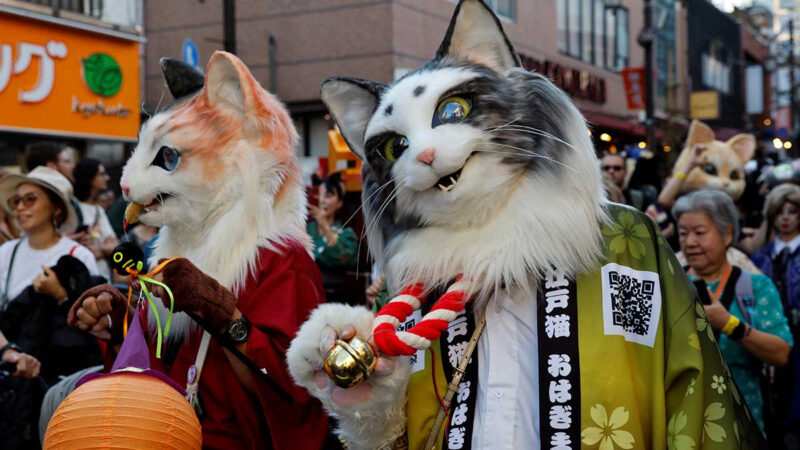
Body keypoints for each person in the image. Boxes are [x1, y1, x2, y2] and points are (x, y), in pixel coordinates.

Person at [675, 189, 793, 432]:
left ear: (727, 234)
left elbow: (781, 353)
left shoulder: (755, 286)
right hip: (682, 423)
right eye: (683, 233)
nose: (689, 242)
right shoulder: (671, 285)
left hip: (742, 422)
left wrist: (730, 324)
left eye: (699, 233)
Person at [0, 167, 101, 449]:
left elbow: (92, 325)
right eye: (15, 202)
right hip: (12, 369)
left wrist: (59, 295)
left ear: (55, 207)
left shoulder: (76, 255)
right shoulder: (7, 253)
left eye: (30, 199)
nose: (20, 208)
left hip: (56, 378)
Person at [750, 183, 800, 446]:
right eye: (780, 211)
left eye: (792, 211)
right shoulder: (761, 256)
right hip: (768, 330)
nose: (785, 217)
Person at [73, 159, 119, 281]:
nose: (107, 178)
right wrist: (102, 248)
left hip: (102, 277)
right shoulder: (73, 208)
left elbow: (115, 245)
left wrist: (99, 250)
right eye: (102, 174)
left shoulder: (98, 210)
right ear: (90, 178)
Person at [308, 172, 358, 271]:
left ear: (339, 203)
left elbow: (341, 257)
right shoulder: (306, 230)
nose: (322, 200)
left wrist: (325, 226)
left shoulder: (347, 234)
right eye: (319, 195)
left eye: (328, 195)